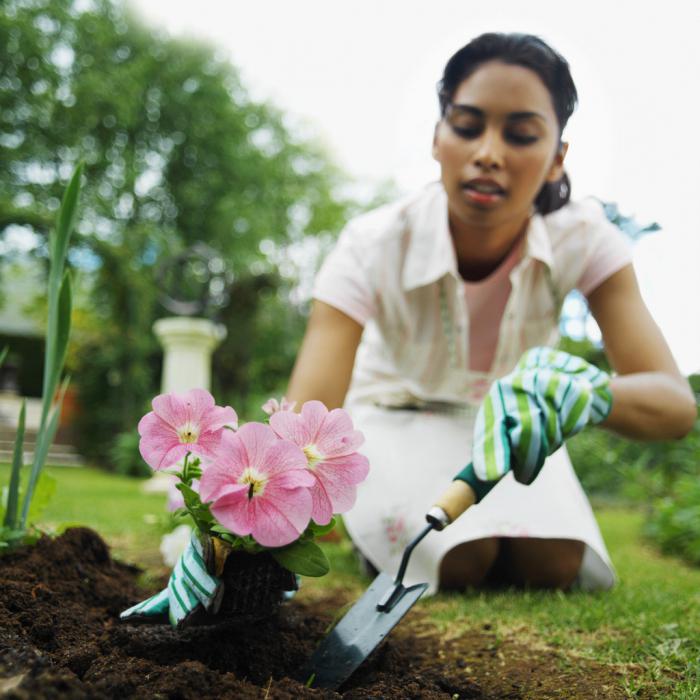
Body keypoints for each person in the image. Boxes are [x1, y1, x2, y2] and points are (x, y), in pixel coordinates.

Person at [283, 33, 696, 594]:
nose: (488, 153)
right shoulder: (372, 243)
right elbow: (309, 410)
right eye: (467, 126)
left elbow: (675, 407)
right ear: (436, 139)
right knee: (462, 559)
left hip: (506, 431)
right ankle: (369, 535)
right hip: (394, 416)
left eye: (521, 134)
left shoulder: (585, 238)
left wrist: (592, 394)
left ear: (557, 159)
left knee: (552, 568)